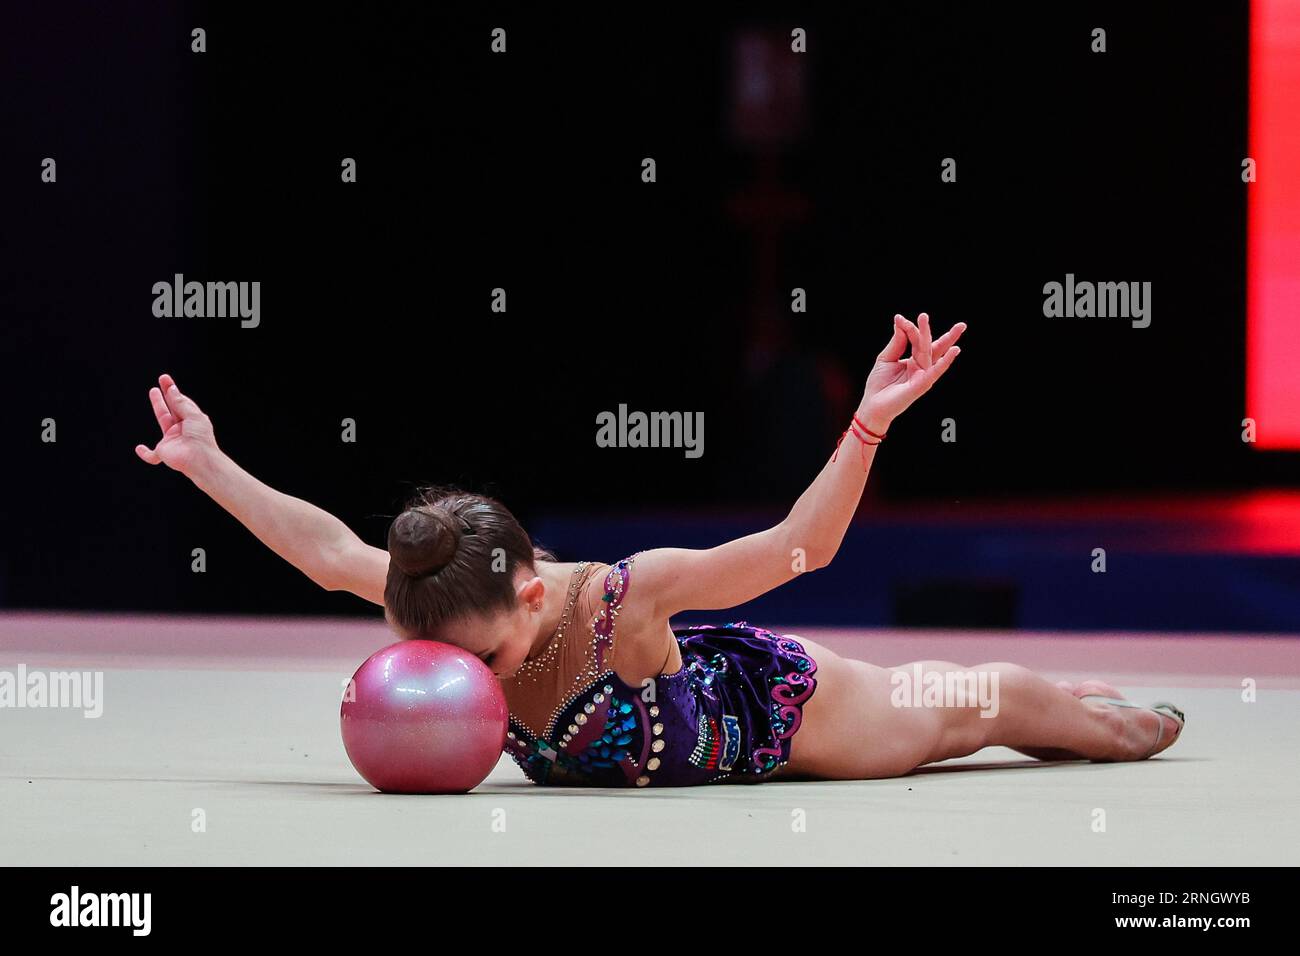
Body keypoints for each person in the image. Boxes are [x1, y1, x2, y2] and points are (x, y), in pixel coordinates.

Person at [136, 314, 1183, 788]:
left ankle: (1111, 714)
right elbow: (329, 552)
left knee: (977, 708)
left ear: (533, 590)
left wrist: (866, 423)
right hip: (682, 749)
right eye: (441, 664)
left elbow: (797, 547)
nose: (452, 687)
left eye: (480, 664)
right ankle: (1069, 693)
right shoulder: (440, 597)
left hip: (781, 719)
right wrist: (209, 462)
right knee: (976, 702)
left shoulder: (623, 599)